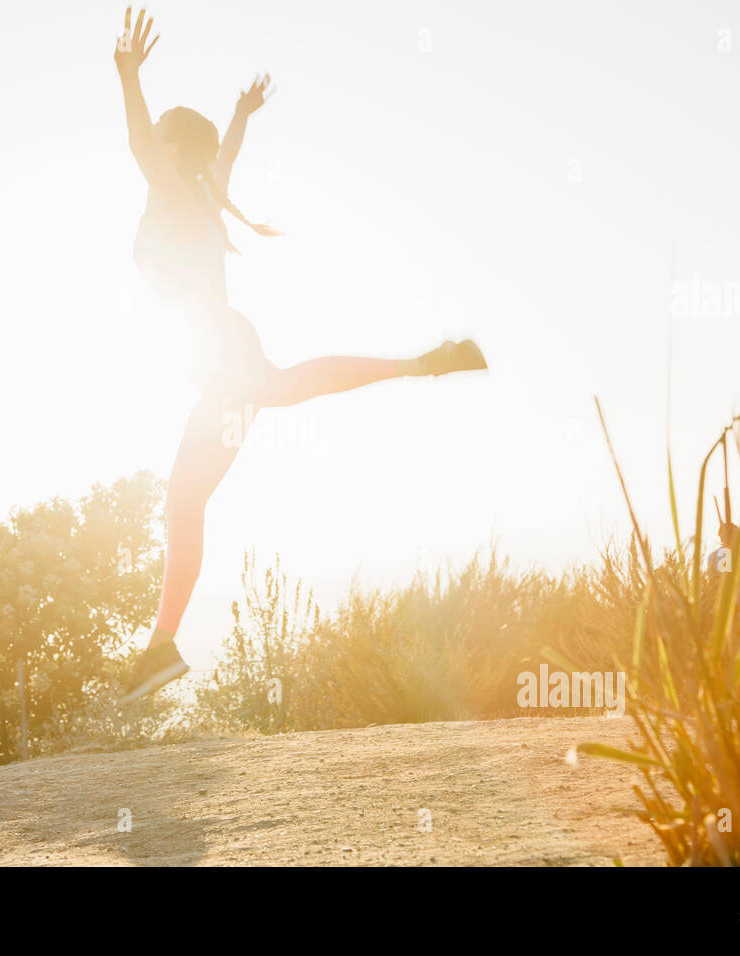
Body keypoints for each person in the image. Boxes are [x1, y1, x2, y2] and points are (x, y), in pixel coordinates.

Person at [114, 8, 488, 703]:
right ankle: (426, 364)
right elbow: (217, 156)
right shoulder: (195, 192)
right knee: (226, 455)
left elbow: (142, 144)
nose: (151, 145)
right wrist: (240, 113)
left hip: (222, 351)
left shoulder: (171, 190)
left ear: (170, 152)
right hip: (226, 349)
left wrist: (128, 78)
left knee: (191, 495)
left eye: (161, 138)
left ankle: (161, 648)